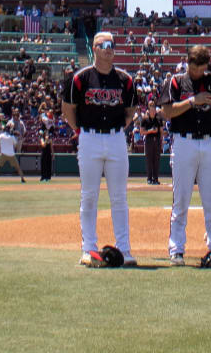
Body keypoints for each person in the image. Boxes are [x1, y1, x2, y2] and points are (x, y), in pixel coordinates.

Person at [62, 31, 138, 267]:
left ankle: (124, 249)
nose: (109, 48)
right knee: (89, 196)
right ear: (94, 48)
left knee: (119, 197)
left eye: (112, 45)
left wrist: (116, 132)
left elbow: (130, 112)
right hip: (89, 138)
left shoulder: (125, 79)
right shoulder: (80, 78)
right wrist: (82, 131)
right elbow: (68, 109)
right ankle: (89, 249)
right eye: (103, 44)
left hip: (116, 138)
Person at [158, 45, 211, 266]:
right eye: (195, 67)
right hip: (184, 141)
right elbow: (167, 112)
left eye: (202, 67)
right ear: (187, 63)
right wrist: (192, 101)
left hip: (208, 142)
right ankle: (176, 249)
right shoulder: (177, 82)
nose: (198, 71)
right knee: (180, 200)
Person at [140, 107, 163, 185]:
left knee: (156, 161)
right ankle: (149, 179)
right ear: (149, 112)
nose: (153, 112)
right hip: (149, 141)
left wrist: (162, 142)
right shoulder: (145, 120)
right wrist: (150, 131)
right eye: (151, 111)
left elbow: (161, 131)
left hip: (157, 141)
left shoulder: (159, 120)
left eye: (154, 111)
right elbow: (141, 132)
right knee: (149, 160)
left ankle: (155, 179)